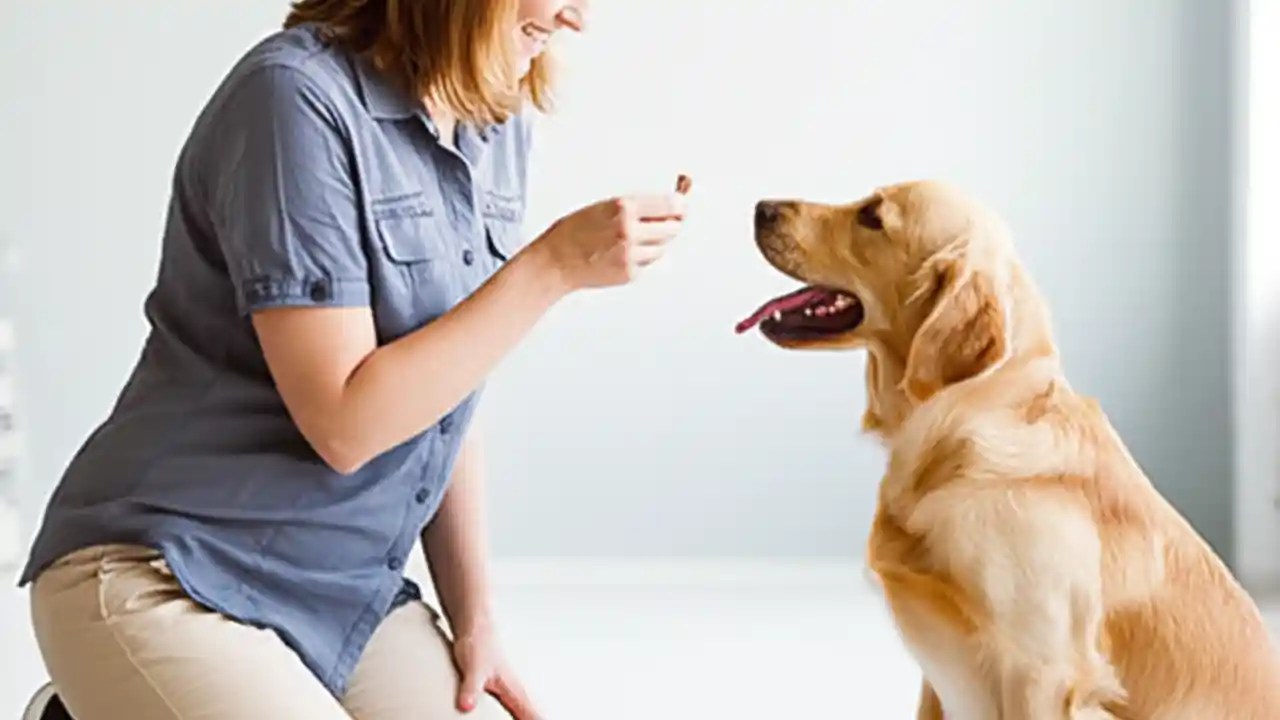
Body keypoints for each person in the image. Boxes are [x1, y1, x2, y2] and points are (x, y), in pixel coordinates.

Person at [18, 1, 689, 718]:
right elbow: (344, 423)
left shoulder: (493, 117)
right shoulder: (292, 99)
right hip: (167, 570)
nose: (573, 16)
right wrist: (550, 268)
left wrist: (476, 618)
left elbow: (446, 389)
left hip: (344, 594)